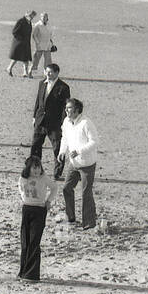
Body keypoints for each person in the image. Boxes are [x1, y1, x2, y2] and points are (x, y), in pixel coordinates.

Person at [59, 97, 98, 229]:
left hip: (87, 164)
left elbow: (94, 142)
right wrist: (62, 152)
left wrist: (79, 151)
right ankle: (71, 218)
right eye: (66, 108)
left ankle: (89, 223)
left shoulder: (86, 123)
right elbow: (64, 138)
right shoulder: (66, 122)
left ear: (77, 110)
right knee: (66, 188)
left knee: (86, 193)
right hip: (73, 163)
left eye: (69, 108)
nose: (66, 110)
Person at [18, 155, 54, 281]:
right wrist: (24, 199)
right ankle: (23, 272)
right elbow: (21, 190)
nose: (37, 170)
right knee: (25, 241)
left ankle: (32, 275)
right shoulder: (23, 178)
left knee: (34, 241)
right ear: (28, 168)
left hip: (39, 210)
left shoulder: (44, 178)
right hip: (27, 209)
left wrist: (48, 201)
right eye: (34, 168)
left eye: (38, 167)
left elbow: (54, 188)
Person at [31, 63, 70, 175]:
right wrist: (34, 116)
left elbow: (65, 107)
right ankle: (34, 169)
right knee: (35, 146)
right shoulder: (42, 84)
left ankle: (57, 172)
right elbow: (38, 101)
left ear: (57, 73)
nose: (47, 74)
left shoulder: (63, 87)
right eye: (46, 71)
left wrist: (64, 122)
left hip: (55, 123)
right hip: (40, 120)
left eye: (50, 72)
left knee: (57, 148)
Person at [7, 10, 36, 78]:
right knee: (16, 57)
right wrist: (21, 39)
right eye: (30, 15)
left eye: (32, 16)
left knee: (26, 58)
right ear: (26, 14)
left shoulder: (29, 22)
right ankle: (9, 68)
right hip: (19, 43)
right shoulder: (21, 21)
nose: (31, 17)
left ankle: (25, 72)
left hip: (26, 43)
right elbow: (14, 32)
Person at [29, 11, 55, 76]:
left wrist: (51, 43)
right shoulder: (38, 25)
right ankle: (30, 71)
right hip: (39, 45)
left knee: (48, 60)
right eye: (43, 17)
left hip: (47, 45)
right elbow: (34, 35)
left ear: (47, 18)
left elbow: (51, 34)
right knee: (36, 59)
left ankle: (46, 73)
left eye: (45, 17)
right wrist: (38, 43)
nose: (44, 18)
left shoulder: (49, 25)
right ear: (40, 17)